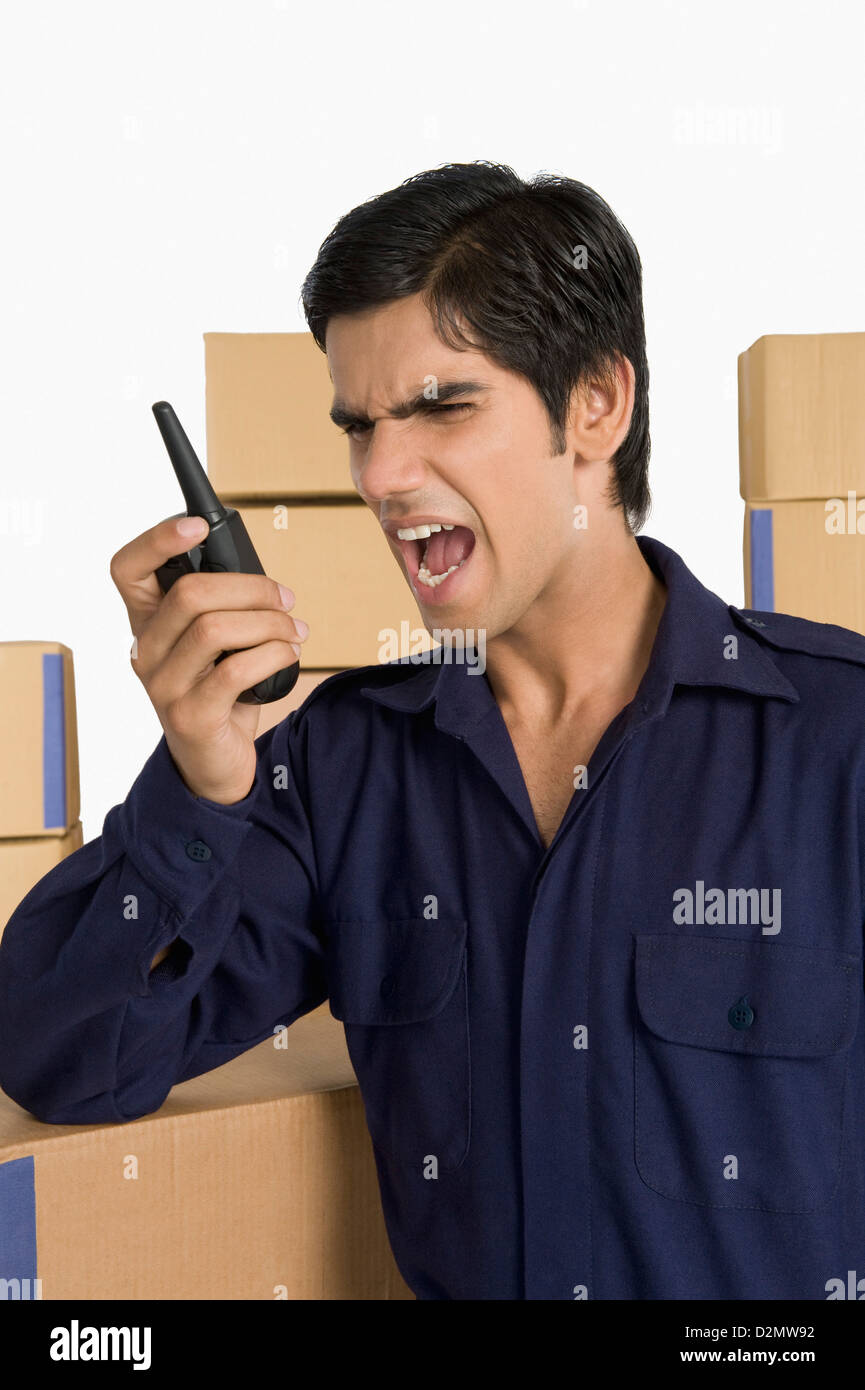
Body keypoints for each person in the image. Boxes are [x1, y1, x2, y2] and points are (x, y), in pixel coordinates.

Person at [1, 161, 863, 1301]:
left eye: (442, 405)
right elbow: (64, 1058)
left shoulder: (837, 739)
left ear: (597, 406)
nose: (383, 475)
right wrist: (203, 788)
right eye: (358, 426)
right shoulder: (339, 767)